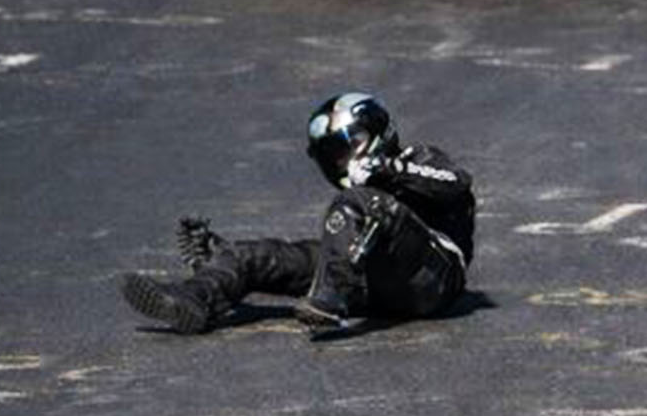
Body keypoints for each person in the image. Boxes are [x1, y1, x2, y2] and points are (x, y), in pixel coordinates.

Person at [120, 93, 475, 335]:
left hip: (433, 278)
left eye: (348, 148)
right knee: (253, 255)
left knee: (359, 203)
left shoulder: (420, 158)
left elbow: (456, 182)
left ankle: (330, 298)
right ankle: (196, 296)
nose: (344, 162)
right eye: (335, 157)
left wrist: (388, 169)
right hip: (370, 282)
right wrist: (224, 260)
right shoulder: (358, 199)